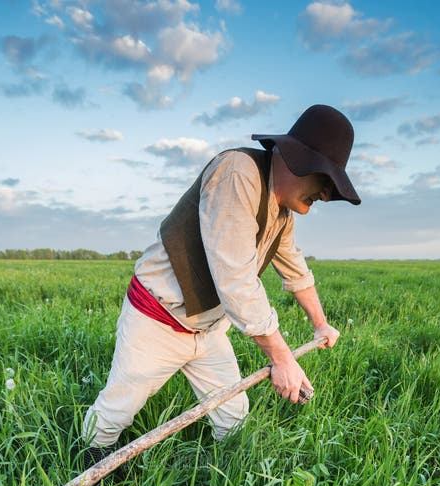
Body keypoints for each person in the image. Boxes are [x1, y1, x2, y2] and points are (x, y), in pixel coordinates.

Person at [82, 103, 360, 466]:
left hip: (208, 330)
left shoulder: (282, 215)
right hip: (157, 319)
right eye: (325, 181)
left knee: (233, 414)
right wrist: (281, 357)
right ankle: (89, 465)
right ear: (297, 160)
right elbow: (236, 281)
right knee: (118, 409)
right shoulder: (237, 173)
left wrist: (320, 323)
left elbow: (296, 271)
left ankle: (227, 482)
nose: (325, 195)